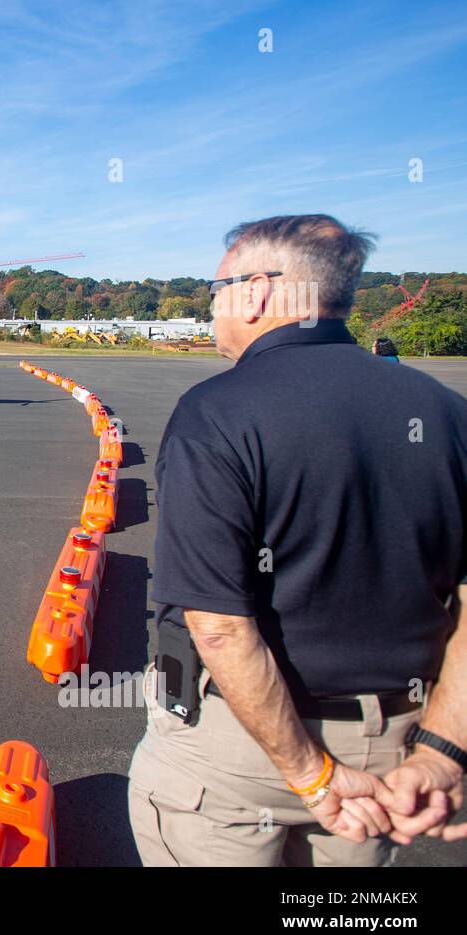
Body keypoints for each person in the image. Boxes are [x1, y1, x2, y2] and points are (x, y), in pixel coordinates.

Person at [129, 214, 467, 866]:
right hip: (395, 751)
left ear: (256, 291)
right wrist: (444, 754)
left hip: (241, 750)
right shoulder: (449, 414)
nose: (214, 306)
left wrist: (312, 773)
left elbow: (220, 626)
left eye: (215, 288)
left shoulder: (217, 413)